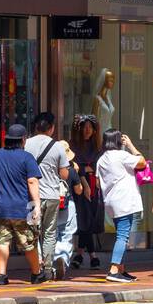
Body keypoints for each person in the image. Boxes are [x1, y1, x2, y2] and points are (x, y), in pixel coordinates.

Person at [0, 124, 43, 285]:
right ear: (23, 139)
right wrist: (37, 205)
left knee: (2, 241)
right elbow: (32, 181)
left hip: (1, 207)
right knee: (29, 243)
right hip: (23, 207)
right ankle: (36, 273)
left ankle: (1, 274)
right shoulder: (27, 157)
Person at [95, 128, 149, 282]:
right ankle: (113, 269)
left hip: (111, 202)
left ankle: (121, 269)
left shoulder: (101, 159)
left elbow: (98, 183)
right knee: (123, 235)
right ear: (118, 141)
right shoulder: (121, 155)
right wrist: (131, 145)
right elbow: (142, 162)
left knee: (122, 234)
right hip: (124, 200)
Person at [25, 111, 71, 281]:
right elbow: (64, 175)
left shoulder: (26, 144)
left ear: (36, 126)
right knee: (50, 232)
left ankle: (36, 265)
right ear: (51, 128)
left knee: (33, 232)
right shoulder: (58, 146)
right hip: (52, 196)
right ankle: (48, 268)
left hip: (31, 196)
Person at [69, 115, 104, 269]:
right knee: (85, 219)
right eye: (85, 127)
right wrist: (85, 172)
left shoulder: (98, 147)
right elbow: (74, 167)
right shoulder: (74, 146)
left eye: (90, 127)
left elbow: (99, 166)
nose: (87, 130)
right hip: (80, 187)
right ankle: (92, 255)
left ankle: (79, 254)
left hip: (95, 187)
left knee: (90, 220)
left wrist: (88, 169)